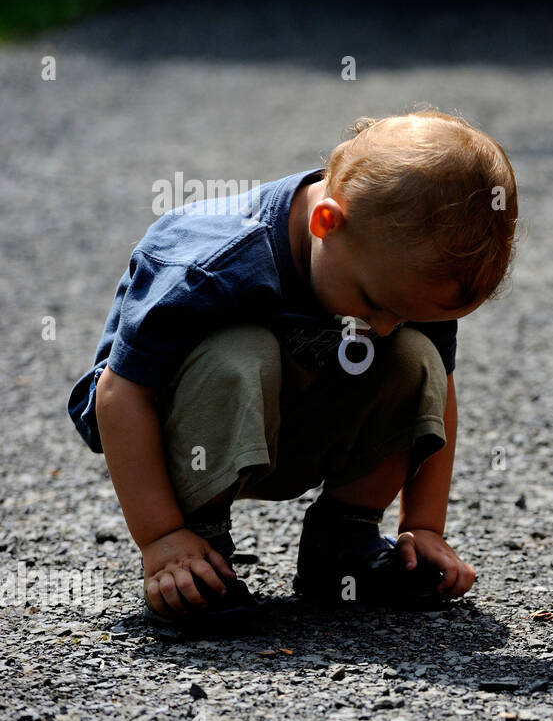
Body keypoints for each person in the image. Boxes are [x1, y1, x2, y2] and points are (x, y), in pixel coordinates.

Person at [67, 109, 518, 627]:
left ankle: (343, 545)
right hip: (166, 430)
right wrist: (160, 537)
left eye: (405, 314)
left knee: (417, 357)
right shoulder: (214, 262)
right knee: (242, 353)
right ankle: (197, 556)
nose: (387, 325)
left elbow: (437, 387)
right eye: (373, 304)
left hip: (298, 410)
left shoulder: (400, 276)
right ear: (326, 222)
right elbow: (118, 394)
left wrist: (425, 526)